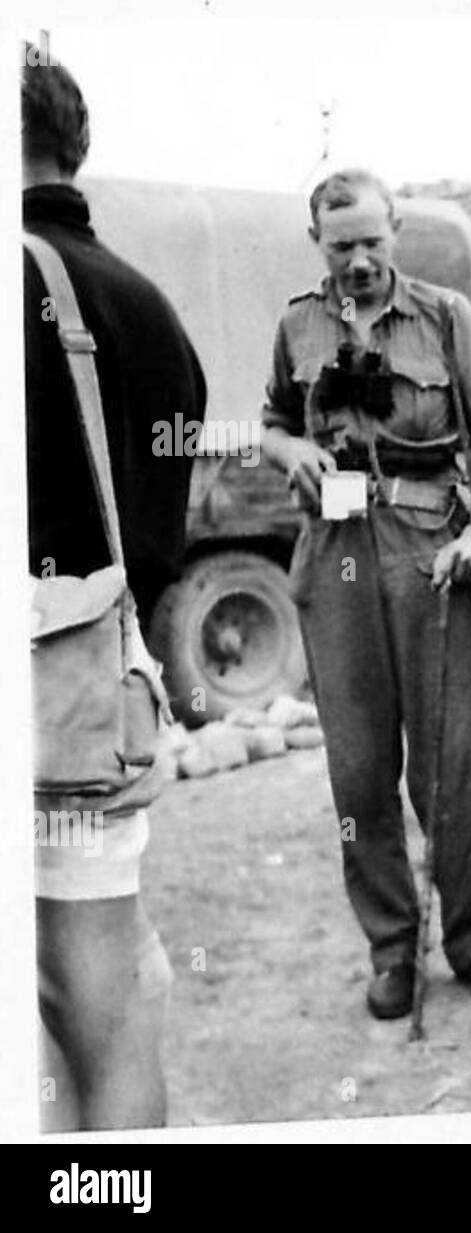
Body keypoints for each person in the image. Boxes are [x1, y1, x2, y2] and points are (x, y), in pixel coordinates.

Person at [260, 169, 471, 1016]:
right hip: (336, 552)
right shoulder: (298, 323)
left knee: (453, 765)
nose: (362, 260)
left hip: (432, 556)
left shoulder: (446, 318)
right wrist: (284, 450)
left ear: (396, 232)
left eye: (375, 241)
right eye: (343, 247)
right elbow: (270, 417)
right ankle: (391, 950)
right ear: (319, 245)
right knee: (359, 771)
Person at [23, 50, 205, 1128]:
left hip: (42, 685)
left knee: (75, 1000)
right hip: (103, 687)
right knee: (100, 985)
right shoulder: (147, 303)